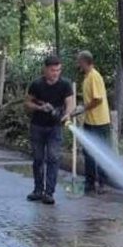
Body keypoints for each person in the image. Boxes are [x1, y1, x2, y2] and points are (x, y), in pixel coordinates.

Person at [25, 55, 75, 205]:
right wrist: (40, 107)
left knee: (53, 158)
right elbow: (27, 103)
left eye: (58, 70)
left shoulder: (65, 85)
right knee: (38, 159)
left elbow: (70, 103)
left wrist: (66, 115)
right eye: (53, 70)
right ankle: (38, 190)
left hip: (55, 128)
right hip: (38, 126)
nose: (56, 73)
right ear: (45, 69)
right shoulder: (36, 84)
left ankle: (49, 193)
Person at [77, 50, 111, 195]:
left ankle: (102, 183)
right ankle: (90, 183)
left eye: (78, 62)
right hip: (90, 121)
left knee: (100, 152)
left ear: (84, 62)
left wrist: (83, 108)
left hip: (100, 122)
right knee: (89, 153)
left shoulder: (94, 77)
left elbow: (98, 99)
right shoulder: (87, 77)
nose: (77, 64)